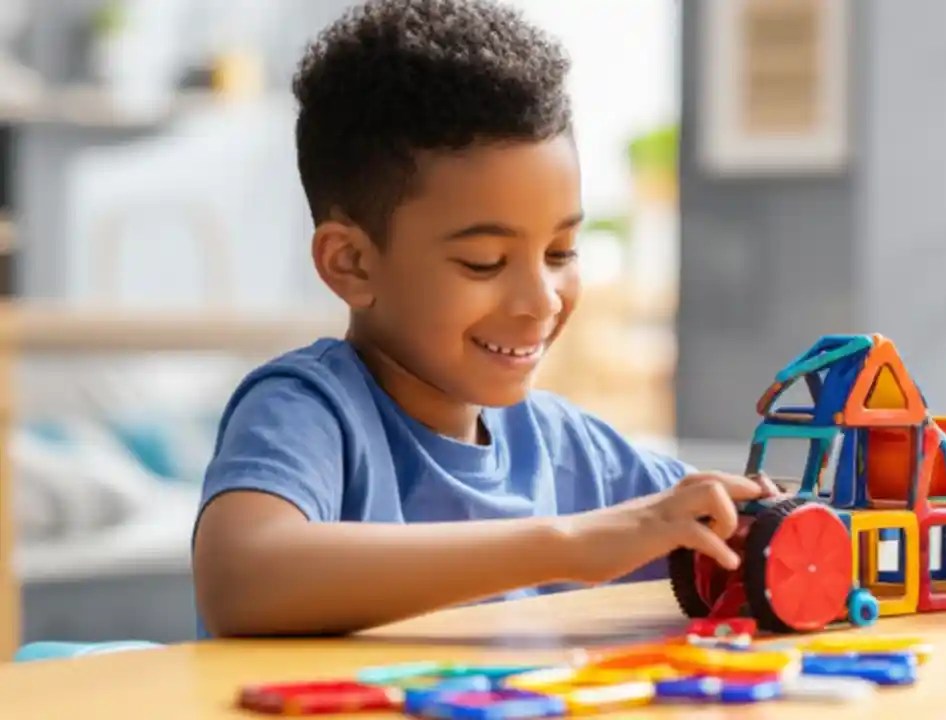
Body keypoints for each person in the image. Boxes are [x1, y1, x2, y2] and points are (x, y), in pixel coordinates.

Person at [191, 0, 776, 639]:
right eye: (484, 261)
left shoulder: (565, 447)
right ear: (353, 263)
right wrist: (569, 545)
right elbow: (241, 579)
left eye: (561, 253)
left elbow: (736, 531)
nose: (543, 299)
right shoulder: (309, 411)